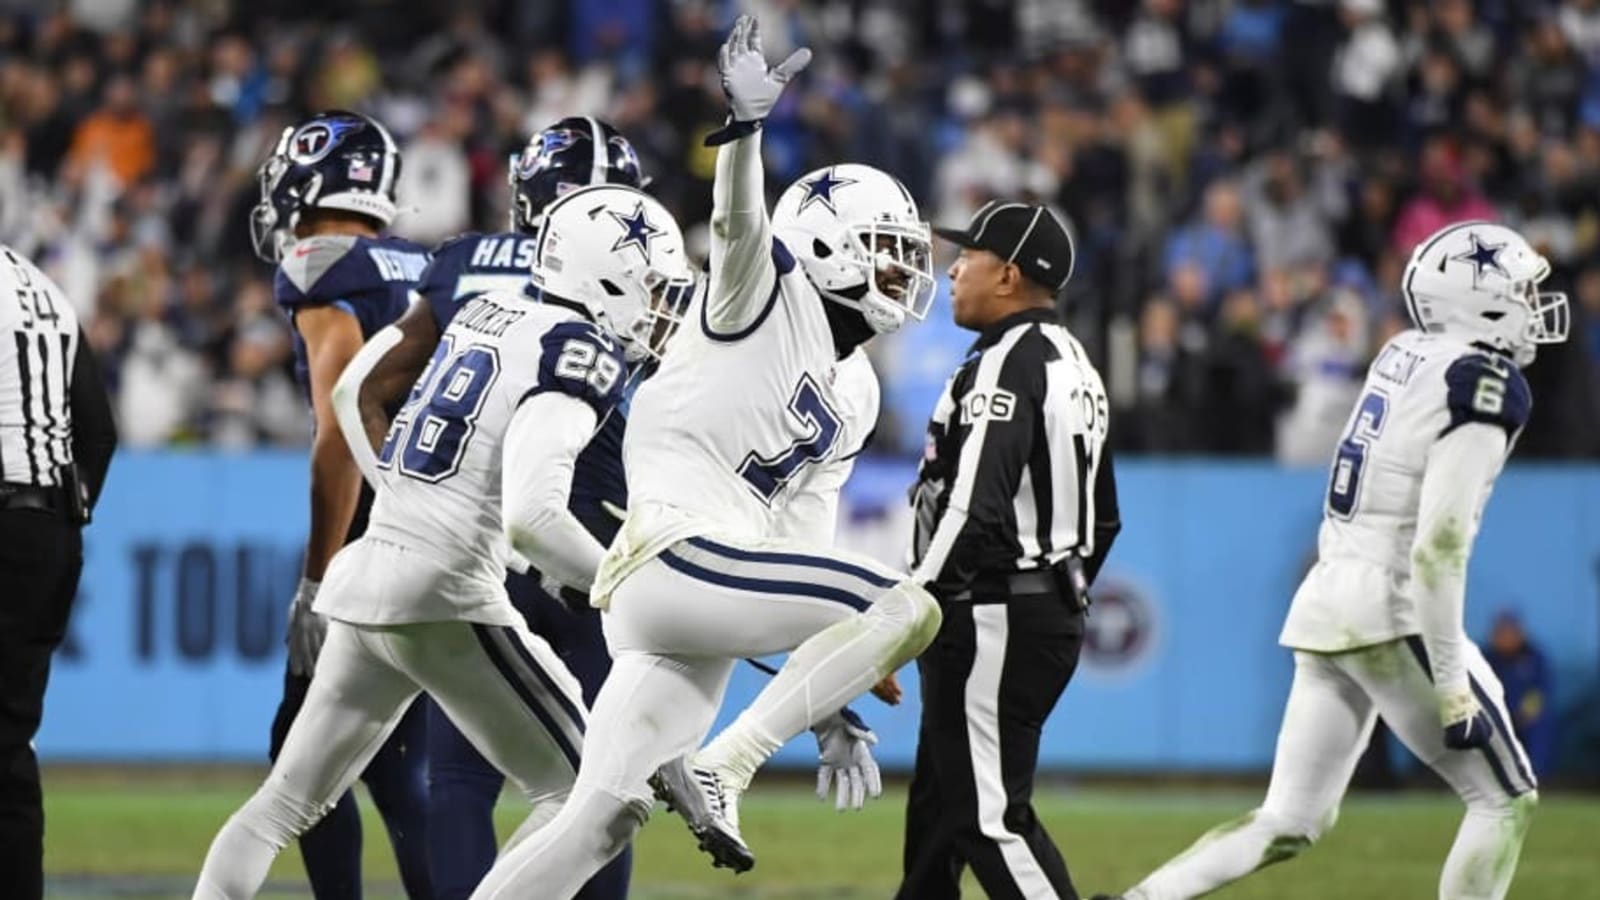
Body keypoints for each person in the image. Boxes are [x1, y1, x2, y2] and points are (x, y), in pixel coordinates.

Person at [468, 17, 942, 897]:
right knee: (911, 606)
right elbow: (737, 223)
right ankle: (727, 768)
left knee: (596, 823)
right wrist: (745, 132)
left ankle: (715, 768)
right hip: (674, 552)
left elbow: (801, 543)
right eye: (885, 248)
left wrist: (832, 701)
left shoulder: (858, 390)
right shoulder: (764, 290)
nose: (902, 270)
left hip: (702, 592)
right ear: (830, 248)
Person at [191, 183, 694, 899]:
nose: (657, 306)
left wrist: (401, 493)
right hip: (446, 592)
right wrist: (636, 584)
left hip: (368, 575)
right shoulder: (581, 351)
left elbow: (350, 393)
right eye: (648, 286)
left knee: (282, 805)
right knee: (602, 800)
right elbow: (536, 520)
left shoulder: (488, 306)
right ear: (601, 276)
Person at [1094, 220, 1567, 900]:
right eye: (1520, 290)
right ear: (1480, 300)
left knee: (1288, 820)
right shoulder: (1484, 382)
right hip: (1393, 604)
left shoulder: (1403, 352)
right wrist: (1452, 679)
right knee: (1506, 797)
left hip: (1329, 596)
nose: (1532, 304)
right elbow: (1439, 547)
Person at [407, 115, 646, 900]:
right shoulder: (650, 290)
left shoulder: (463, 275)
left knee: (459, 777)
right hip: (596, 541)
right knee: (604, 785)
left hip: (484, 546)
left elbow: (371, 391)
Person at [895, 200, 1120, 900]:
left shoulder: (1008, 362)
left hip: (993, 612)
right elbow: (1104, 520)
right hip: (1031, 608)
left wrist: (909, 616)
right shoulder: (1074, 363)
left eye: (970, 256)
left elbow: (975, 508)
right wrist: (1058, 597)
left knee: (988, 821)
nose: (954, 267)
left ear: (1009, 275)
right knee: (938, 825)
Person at [249, 109, 433, 899]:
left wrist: (319, 580)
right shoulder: (424, 267)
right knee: (401, 769)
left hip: (377, 537)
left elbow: (345, 425)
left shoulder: (324, 264)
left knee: (304, 753)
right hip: (445, 529)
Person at [0, 246, 116, 900]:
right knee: (10, 751)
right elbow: (98, 433)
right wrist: (58, 523)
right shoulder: (40, 286)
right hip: (48, 532)